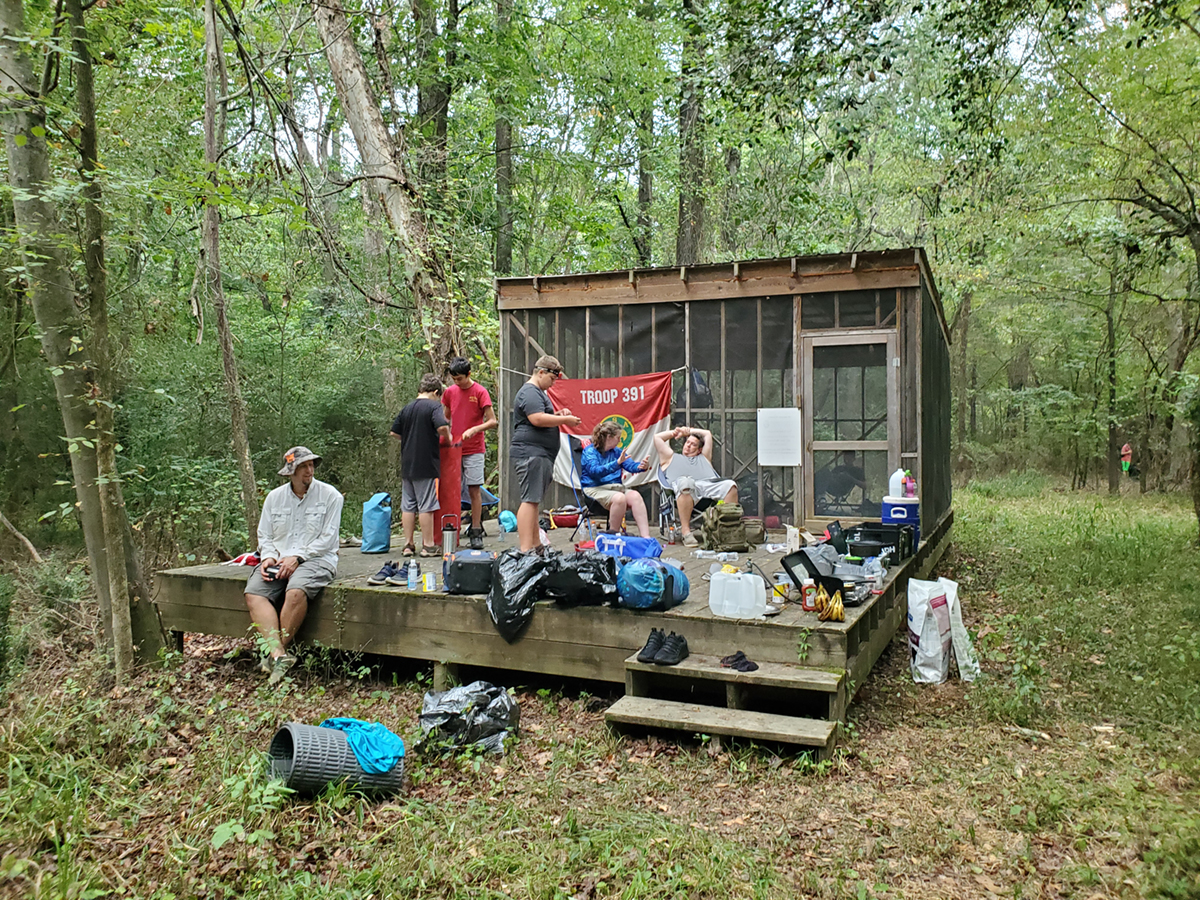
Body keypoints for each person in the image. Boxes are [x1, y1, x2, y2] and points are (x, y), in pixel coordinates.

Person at [244, 446, 344, 685]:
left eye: (311, 465)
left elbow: (328, 539)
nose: (308, 470)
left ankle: (272, 654)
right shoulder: (274, 498)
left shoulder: (331, 496)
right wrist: (267, 556)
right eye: (302, 467)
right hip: (279, 559)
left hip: (317, 559)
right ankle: (279, 655)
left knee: (296, 590)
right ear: (291, 472)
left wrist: (298, 557)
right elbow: (264, 535)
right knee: (254, 593)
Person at [510, 355, 582, 552]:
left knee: (534, 500)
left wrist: (558, 415)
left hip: (541, 453)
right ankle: (526, 550)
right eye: (551, 379)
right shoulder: (530, 392)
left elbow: (543, 416)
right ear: (540, 372)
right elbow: (537, 419)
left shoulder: (539, 393)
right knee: (529, 500)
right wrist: (565, 421)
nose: (552, 384)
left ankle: (536, 545)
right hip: (531, 452)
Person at [390, 374, 453, 558]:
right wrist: (447, 439)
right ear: (435, 392)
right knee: (426, 504)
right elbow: (442, 427)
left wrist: (409, 438)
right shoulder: (433, 406)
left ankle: (408, 544)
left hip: (407, 462)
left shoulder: (407, 408)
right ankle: (428, 545)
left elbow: (394, 432)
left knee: (408, 505)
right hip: (425, 461)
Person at [442, 357, 498, 550]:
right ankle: (451, 528)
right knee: (451, 490)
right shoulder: (449, 393)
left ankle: (476, 529)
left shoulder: (480, 392)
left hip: (474, 448)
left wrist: (475, 429)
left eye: (460, 379)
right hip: (454, 449)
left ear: (469, 374)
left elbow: (492, 421)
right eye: (454, 379)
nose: (457, 382)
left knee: (474, 489)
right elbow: (445, 418)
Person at [652, 425, 738, 548]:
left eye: (693, 444)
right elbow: (657, 438)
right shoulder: (670, 457)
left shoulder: (704, 457)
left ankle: (726, 530)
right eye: (687, 442)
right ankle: (686, 533)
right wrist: (678, 432)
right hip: (683, 488)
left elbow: (707, 434)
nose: (688, 445)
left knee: (730, 485)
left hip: (707, 487)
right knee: (686, 482)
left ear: (699, 449)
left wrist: (690, 431)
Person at [580, 420, 652, 537]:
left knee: (635, 496)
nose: (619, 441)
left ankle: (646, 537)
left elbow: (630, 465)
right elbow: (595, 472)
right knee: (619, 498)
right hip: (594, 488)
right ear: (609, 437)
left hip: (614, 488)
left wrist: (641, 467)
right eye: (618, 437)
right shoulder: (589, 452)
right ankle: (613, 535)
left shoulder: (617, 452)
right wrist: (616, 463)